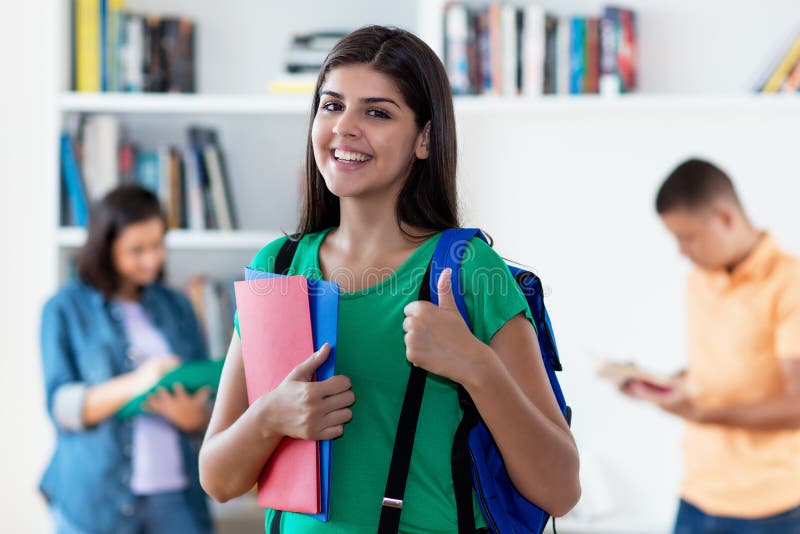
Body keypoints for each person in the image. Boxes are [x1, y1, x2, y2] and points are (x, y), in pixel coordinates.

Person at [199, 25, 580, 533]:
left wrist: (476, 367)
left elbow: (560, 490)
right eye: (332, 106)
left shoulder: (467, 271)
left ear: (425, 139)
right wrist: (270, 417)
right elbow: (218, 480)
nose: (344, 127)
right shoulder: (278, 267)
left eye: (377, 113)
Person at [625, 158, 800, 532]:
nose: (681, 250)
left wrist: (703, 413)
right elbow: (722, 366)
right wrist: (666, 385)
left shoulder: (791, 283)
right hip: (696, 496)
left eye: (688, 237)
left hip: (772, 508)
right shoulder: (699, 280)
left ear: (725, 218)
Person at [40, 185, 214, 534]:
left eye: (158, 244)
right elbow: (62, 408)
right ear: (106, 248)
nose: (152, 259)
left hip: (175, 494)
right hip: (95, 498)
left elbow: (210, 398)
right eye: (137, 249)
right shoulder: (65, 308)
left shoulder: (177, 306)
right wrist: (141, 381)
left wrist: (197, 418)